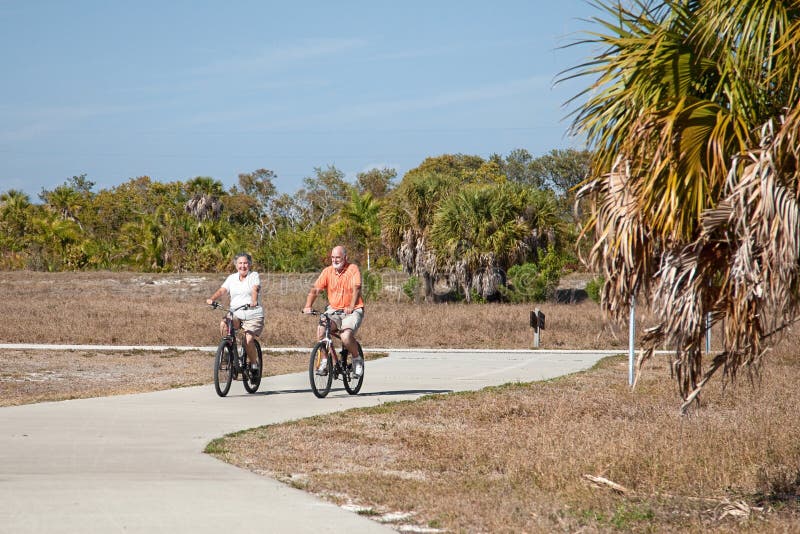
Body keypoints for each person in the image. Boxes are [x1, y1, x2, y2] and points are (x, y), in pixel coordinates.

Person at [303, 245, 365, 377]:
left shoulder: (352, 269)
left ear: (345, 258)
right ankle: (325, 361)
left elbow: (357, 288)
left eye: (338, 257)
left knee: (345, 336)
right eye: (332, 257)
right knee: (322, 330)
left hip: (353, 310)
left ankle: (356, 359)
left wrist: (351, 305)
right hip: (334, 310)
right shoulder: (327, 272)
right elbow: (315, 290)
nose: (335, 260)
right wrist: (308, 306)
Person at [206, 252, 264, 377]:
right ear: (236, 265)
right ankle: (228, 351)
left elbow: (255, 288)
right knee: (224, 324)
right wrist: (212, 299)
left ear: (249, 264)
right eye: (240, 263)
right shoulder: (232, 278)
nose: (243, 266)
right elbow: (223, 290)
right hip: (236, 312)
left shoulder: (254, 275)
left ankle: (254, 365)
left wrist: (254, 300)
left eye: (245, 263)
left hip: (253, 314)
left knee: (248, 340)